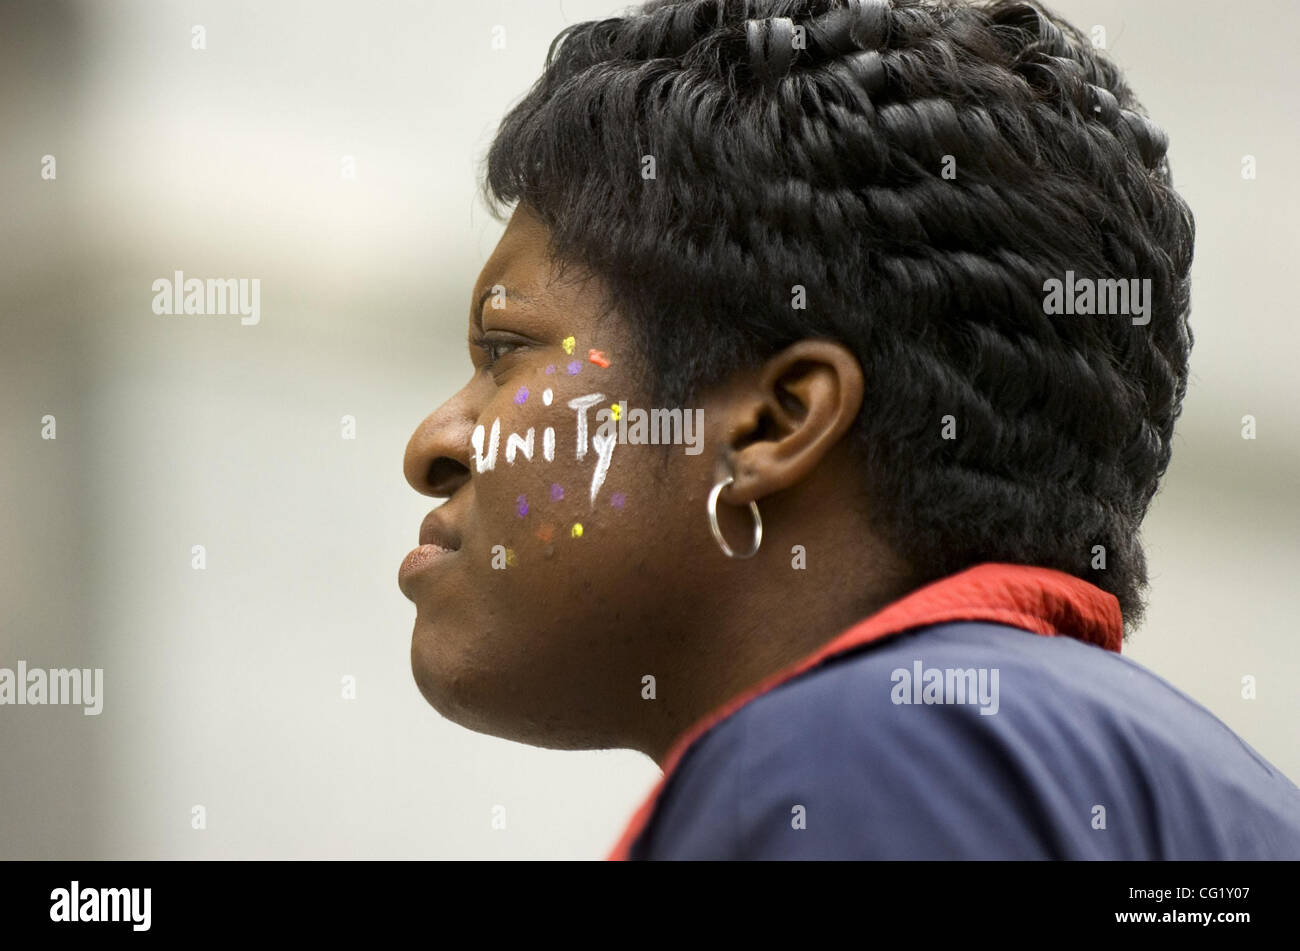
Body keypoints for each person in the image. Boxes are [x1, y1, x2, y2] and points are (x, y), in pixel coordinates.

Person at [399, 0, 1300, 858]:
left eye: (506, 353)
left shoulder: (850, 761)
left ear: (776, 423)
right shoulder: (1232, 803)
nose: (432, 444)